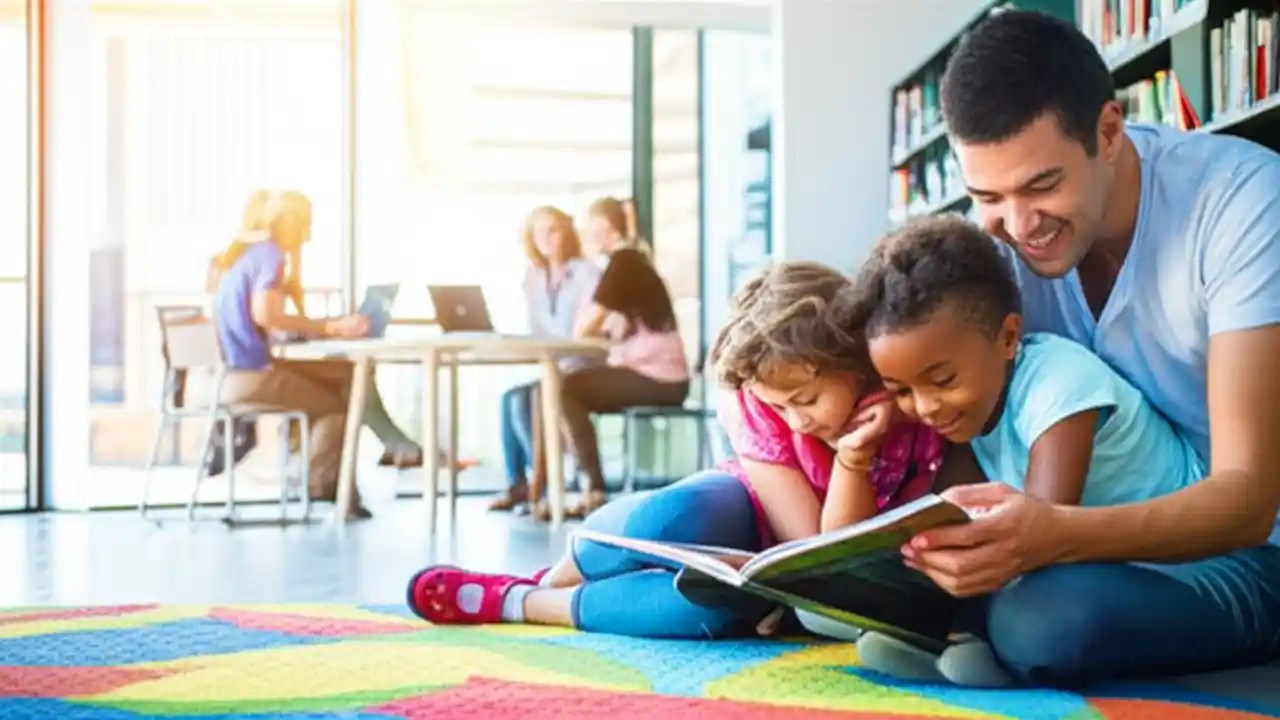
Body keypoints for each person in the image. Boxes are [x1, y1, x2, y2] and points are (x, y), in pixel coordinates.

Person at [878, 10, 1280, 688]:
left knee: (1050, 621)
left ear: (1109, 132)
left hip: (1247, 550)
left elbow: (1246, 503)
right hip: (1080, 547)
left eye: (1042, 186)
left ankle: (980, 634)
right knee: (910, 574)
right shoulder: (995, 255)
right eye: (988, 197)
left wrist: (1053, 534)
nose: (1021, 226)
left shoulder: (1242, 203)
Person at [405, 262, 947, 638]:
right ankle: (546, 578)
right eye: (779, 407)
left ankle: (520, 605)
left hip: (795, 574)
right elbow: (801, 537)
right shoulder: (762, 404)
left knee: (701, 613)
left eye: (805, 399)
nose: (797, 420)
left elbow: (823, 560)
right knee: (671, 519)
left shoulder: (909, 412)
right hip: (755, 513)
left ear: (857, 364)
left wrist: (852, 458)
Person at [840, 215, 1210, 687]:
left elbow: (1039, 537)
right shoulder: (969, 414)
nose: (926, 407)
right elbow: (939, 527)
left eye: (943, 380)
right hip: (1094, 568)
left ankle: (985, 648)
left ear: (1009, 337)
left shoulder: (1058, 380)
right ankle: (964, 651)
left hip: (1200, 570)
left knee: (1040, 618)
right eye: (902, 391)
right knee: (933, 593)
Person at [210, 190, 424, 518]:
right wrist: (330, 327)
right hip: (254, 376)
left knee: (350, 376)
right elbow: (264, 315)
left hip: (234, 375)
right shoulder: (269, 254)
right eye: (306, 225)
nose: (308, 236)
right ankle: (328, 484)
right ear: (289, 222)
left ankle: (350, 468)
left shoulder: (241, 255)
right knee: (344, 403)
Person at [528, 197, 687, 520]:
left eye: (589, 227)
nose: (585, 234)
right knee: (558, 388)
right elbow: (612, 323)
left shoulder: (624, 262)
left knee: (565, 389)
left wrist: (593, 326)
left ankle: (592, 488)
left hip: (659, 378)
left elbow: (587, 324)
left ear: (603, 227)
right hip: (657, 374)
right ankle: (550, 490)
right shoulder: (632, 261)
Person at [488, 206, 603, 513]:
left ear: (566, 232)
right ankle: (519, 484)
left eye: (554, 229)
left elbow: (584, 329)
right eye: (541, 231)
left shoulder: (587, 272)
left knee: (532, 398)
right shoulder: (532, 277)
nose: (548, 238)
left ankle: (544, 486)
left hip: (581, 362)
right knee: (510, 398)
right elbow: (536, 327)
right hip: (550, 361)